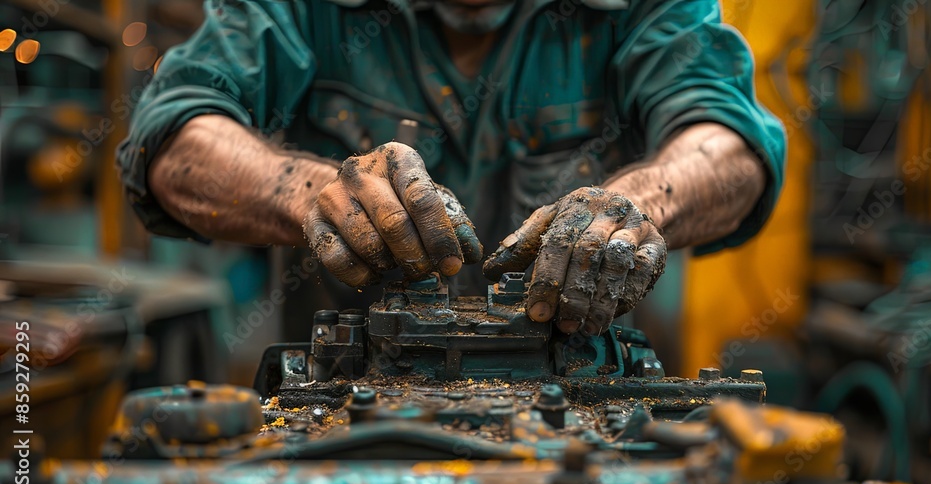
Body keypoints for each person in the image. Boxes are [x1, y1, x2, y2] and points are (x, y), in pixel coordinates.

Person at [117, 0, 785, 338]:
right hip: (349, 409)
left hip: (579, 399)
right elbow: (172, 139)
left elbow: (729, 144)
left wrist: (640, 202)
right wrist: (315, 193)